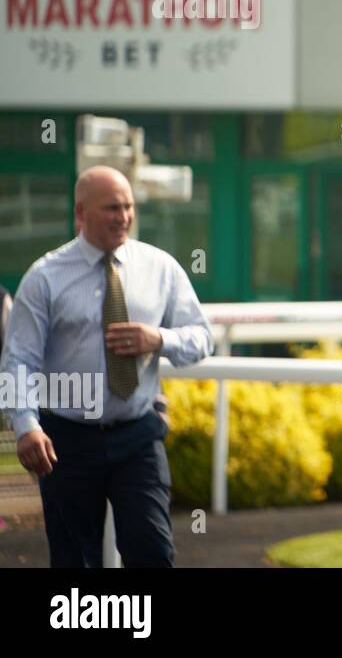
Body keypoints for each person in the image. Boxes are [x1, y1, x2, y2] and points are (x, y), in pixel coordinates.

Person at [0, 166, 212, 567]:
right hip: (66, 441)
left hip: (137, 435)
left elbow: (202, 337)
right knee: (75, 560)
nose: (124, 216)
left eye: (129, 206)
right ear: (81, 213)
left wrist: (159, 339)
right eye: (112, 207)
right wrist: (26, 426)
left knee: (153, 552)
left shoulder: (160, 268)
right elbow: (19, 360)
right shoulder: (44, 277)